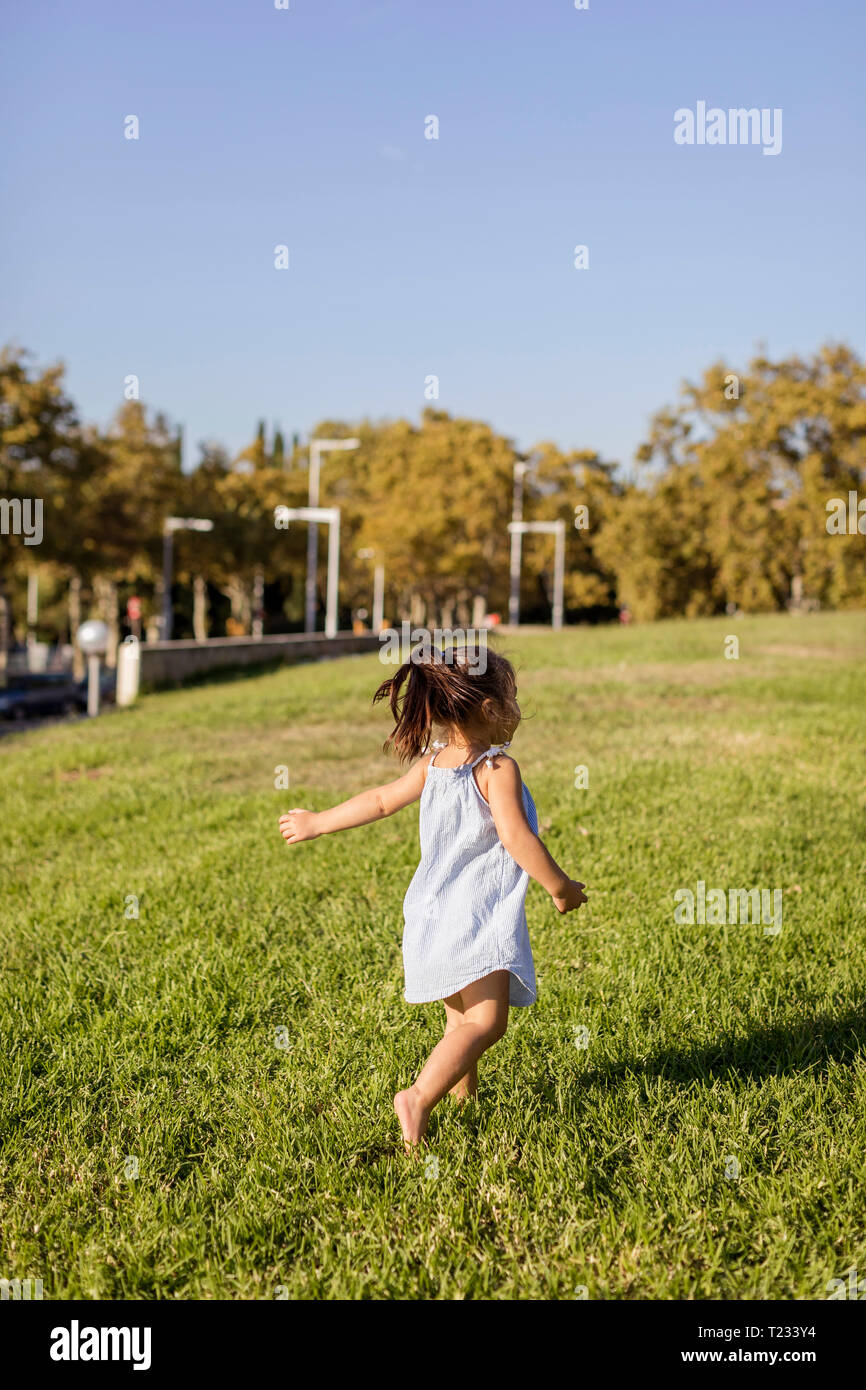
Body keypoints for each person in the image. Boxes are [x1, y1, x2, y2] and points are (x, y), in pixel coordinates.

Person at [278, 647, 587, 1148]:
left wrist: (317, 822)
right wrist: (561, 887)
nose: (516, 708)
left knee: (459, 1023)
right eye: (511, 698)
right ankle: (419, 1096)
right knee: (486, 1022)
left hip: (430, 917)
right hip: (475, 920)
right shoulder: (496, 769)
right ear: (490, 710)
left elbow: (380, 801)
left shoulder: (433, 764)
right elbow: (517, 837)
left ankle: (465, 1103)